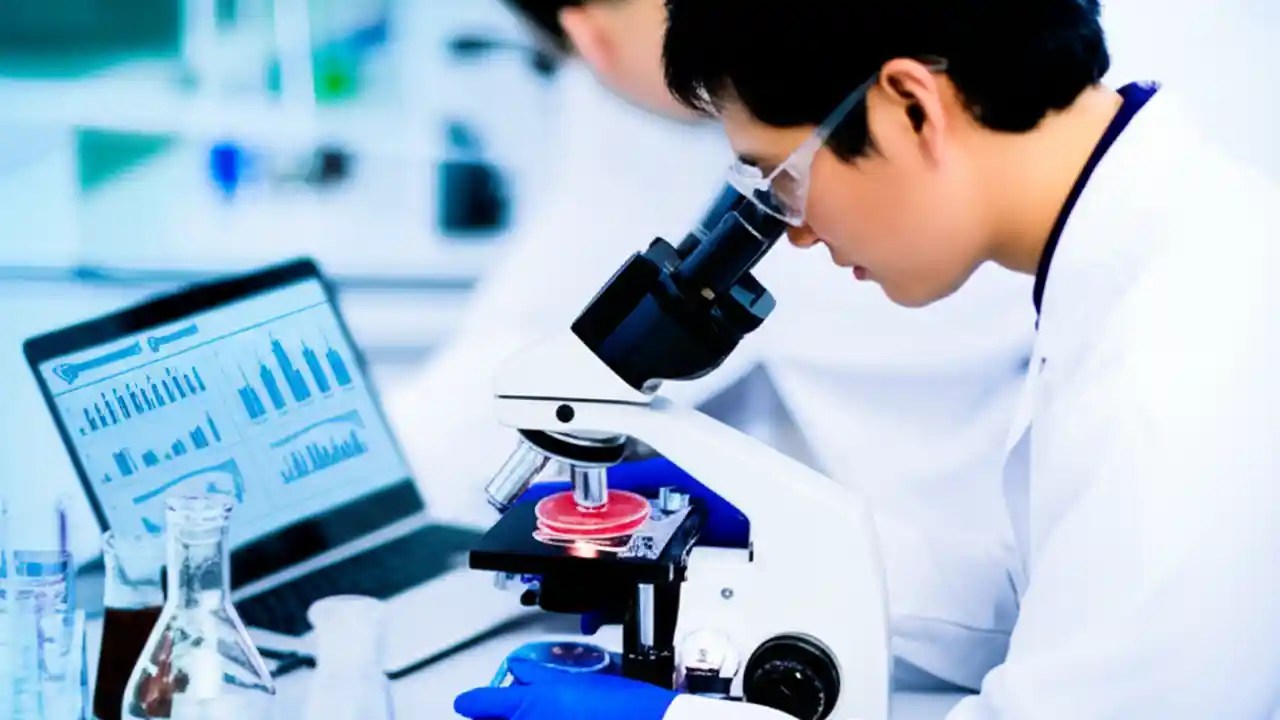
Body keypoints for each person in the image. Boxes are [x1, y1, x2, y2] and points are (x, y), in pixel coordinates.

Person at [453, 0, 1280, 718]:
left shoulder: (1174, 364)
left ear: (910, 107)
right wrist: (789, 529)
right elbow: (1055, 610)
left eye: (780, 179)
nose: (799, 232)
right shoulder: (1147, 253)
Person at [395, 0, 1034, 695]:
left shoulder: (1134, 357)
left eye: (782, 179)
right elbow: (1020, 608)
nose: (797, 232)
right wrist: (765, 532)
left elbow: (1068, 686)